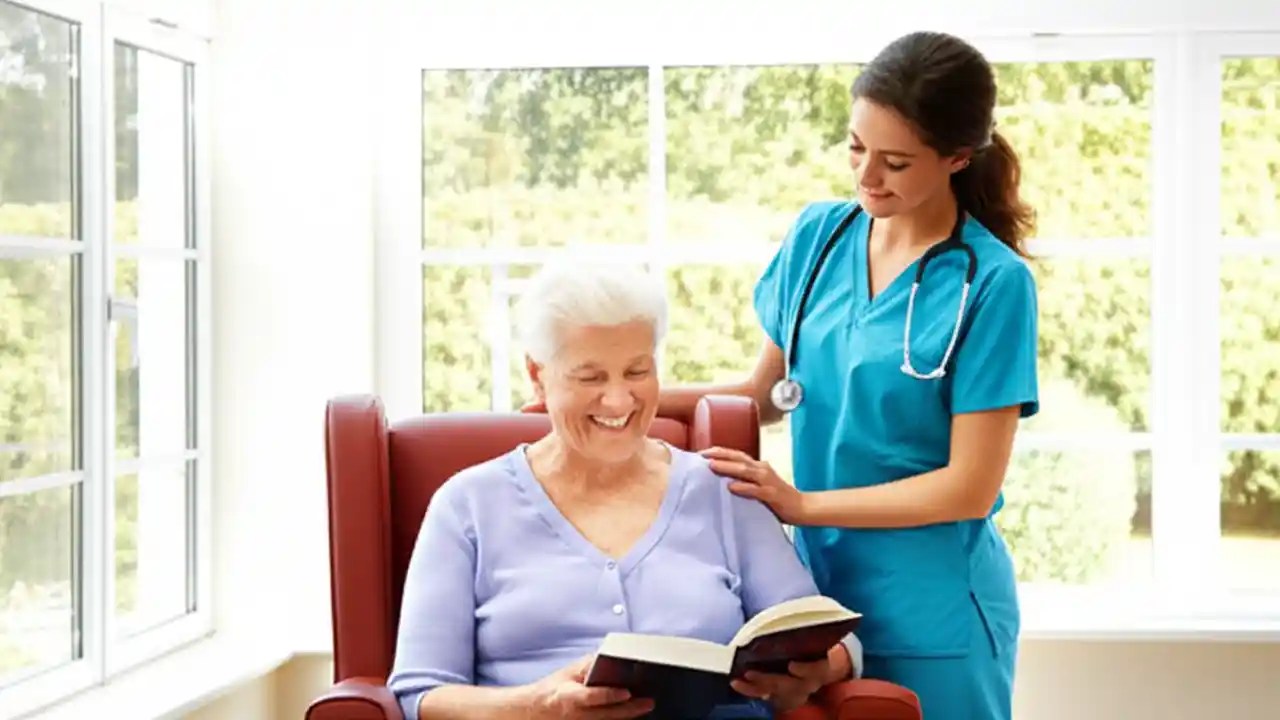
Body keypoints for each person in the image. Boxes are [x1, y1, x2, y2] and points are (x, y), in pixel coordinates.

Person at [645, 31, 1038, 720]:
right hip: (819, 596)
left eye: (895, 162)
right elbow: (764, 395)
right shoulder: (819, 236)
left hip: (935, 608)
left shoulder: (994, 283)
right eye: (856, 148)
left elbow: (971, 488)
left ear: (956, 158)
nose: (866, 177)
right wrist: (624, 395)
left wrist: (801, 505)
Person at [387, 263, 864, 720]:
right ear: (537, 374)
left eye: (637, 372)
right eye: (590, 377)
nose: (618, 400)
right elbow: (419, 693)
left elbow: (825, 634)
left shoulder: (725, 489)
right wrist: (536, 707)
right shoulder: (467, 504)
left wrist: (821, 668)